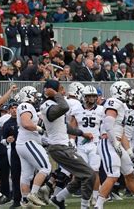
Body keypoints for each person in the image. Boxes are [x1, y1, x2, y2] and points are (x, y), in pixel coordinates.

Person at [36, 80, 95, 209]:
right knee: (89, 174)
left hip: (63, 147)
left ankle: (59, 198)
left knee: (81, 175)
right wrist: (56, 94)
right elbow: (65, 107)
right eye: (61, 88)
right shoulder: (47, 105)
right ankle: (84, 206)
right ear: (52, 90)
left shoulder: (54, 103)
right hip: (59, 147)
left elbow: (64, 126)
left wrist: (82, 133)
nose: (64, 92)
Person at [95, 81, 134, 209]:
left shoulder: (122, 106)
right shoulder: (114, 102)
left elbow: (121, 133)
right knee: (114, 175)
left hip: (116, 143)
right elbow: (108, 122)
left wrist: (129, 152)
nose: (128, 94)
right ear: (119, 91)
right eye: (126, 91)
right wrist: (115, 142)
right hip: (108, 142)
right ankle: (98, 206)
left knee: (129, 173)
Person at [15, 86, 50, 207]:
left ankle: (25, 201)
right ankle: (33, 194)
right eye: (34, 94)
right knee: (45, 167)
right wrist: (39, 129)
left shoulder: (27, 107)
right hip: (28, 141)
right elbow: (26, 123)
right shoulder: (26, 106)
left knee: (27, 174)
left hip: (24, 142)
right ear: (28, 95)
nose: (36, 97)